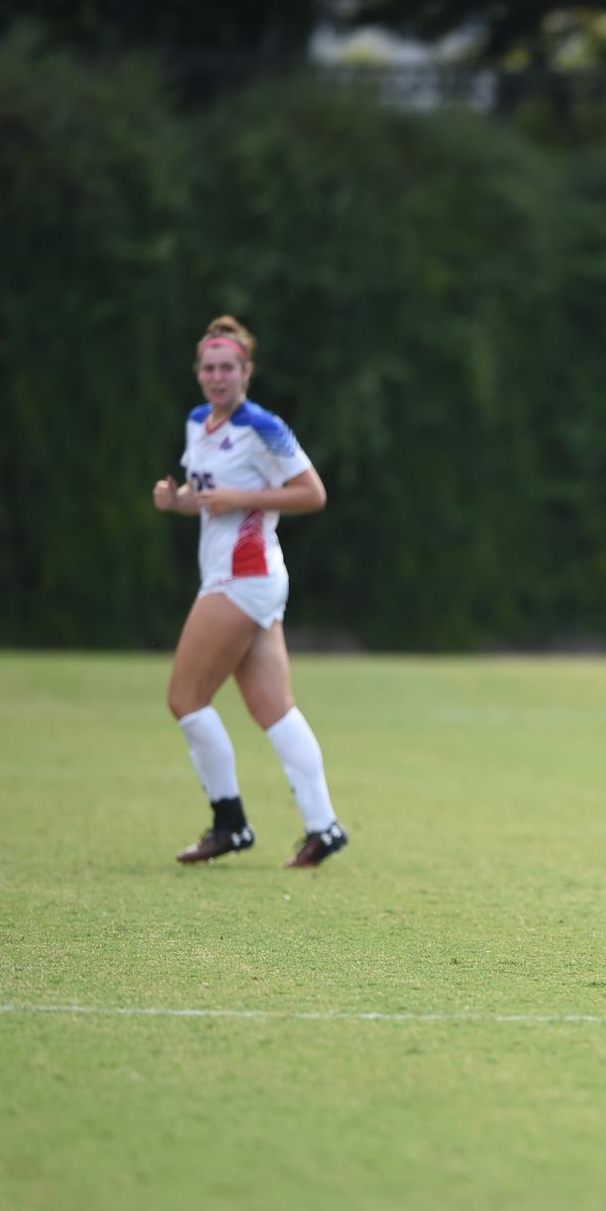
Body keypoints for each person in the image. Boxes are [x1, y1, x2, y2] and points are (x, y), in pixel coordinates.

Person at [152, 315, 349, 868]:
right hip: (239, 576)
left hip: (244, 575)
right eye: (208, 368)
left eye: (227, 368)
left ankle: (230, 823)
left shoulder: (263, 426)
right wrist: (178, 501)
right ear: (198, 373)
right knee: (273, 710)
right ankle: (323, 826)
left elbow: (312, 494)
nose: (217, 377)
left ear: (247, 372)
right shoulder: (199, 423)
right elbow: (207, 495)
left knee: (185, 700)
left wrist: (243, 496)